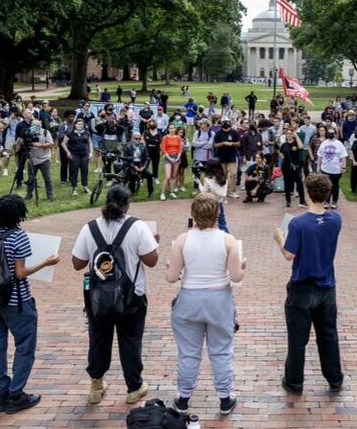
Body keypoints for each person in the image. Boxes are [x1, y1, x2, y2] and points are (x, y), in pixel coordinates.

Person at [71, 185, 159, 405]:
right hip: (132, 296)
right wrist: (153, 242)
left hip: (98, 297)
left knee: (98, 338)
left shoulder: (89, 228)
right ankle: (134, 387)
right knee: (130, 340)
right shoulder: (137, 227)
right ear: (127, 204)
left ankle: (96, 385)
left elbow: (77, 263)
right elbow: (152, 260)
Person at [165, 192, 245, 416]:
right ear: (217, 214)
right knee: (221, 351)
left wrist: (169, 266)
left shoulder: (182, 240)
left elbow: (171, 277)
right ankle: (225, 397)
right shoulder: (228, 240)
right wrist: (242, 265)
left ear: (193, 213)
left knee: (188, 352)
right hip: (219, 299)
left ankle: (183, 397)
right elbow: (236, 276)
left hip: (189, 298)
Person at [0, 196, 59, 413]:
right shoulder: (18, 236)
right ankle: (16, 394)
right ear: (18, 215)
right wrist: (45, 263)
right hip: (17, 302)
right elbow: (20, 273)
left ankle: (3, 393)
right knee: (24, 346)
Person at [273, 173, 345, 395]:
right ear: (328, 193)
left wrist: (279, 238)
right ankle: (335, 378)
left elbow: (289, 254)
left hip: (302, 286)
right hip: (327, 285)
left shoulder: (298, 223)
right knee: (328, 335)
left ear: (307, 192)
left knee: (297, 338)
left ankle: (294, 381)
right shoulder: (336, 220)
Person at [317, 126, 348, 210]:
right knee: (326, 186)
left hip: (336, 170)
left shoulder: (339, 144)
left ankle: (334, 201)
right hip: (325, 169)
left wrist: (344, 167)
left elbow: (343, 156)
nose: (330, 134)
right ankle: (326, 201)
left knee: (335, 186)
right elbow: (320, 156)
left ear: (335, 134)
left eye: (332, 133)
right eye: (329, 133)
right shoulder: (324, 143)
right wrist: (318, 167)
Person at [24, 120, 55, 201]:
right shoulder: (29, 132)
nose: (35, 127)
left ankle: (50, 195)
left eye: (37, 125)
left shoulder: (45, 132)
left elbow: (51, 143)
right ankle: (29, 194)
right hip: (32, 158)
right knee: (31, 178)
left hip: (44, 159)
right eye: (33, 125)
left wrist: (40, 145)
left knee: (47, 178)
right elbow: (25, 143)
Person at [62, 118, 92, 197]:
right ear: (75, 125)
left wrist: (91, 153)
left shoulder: (86, 133)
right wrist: (68, 152)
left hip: (84, 155)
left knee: (85, 171)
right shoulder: (70, 133)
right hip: (74, 155)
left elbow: (90, 143)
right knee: (74, 172)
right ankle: (74, 188)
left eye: (82, 124)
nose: (80, 126)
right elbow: (63, 143)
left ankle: (85, 187)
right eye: (79, 124)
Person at [279, 128, 306, 208]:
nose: (289, 135)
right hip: (286, 166)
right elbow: (281, 153)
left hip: (296, 166)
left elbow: (301, 146)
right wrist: (284, 159)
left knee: (299, 183)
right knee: (287, 184)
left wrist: (296, 136)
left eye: (290, 133)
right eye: (287, 133)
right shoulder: (284, 144)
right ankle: (288, 200)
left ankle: (302, 201)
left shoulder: (296, 143)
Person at [161, 124, 183, 200]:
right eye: (170, 128)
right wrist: (170, 158)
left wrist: (178, 157)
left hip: (177, 157)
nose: (172, 129)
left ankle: (172, 191)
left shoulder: (178, 137)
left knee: (174, 176)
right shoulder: (165, 137)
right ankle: (162, 193)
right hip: (168, 157)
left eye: (173, 128)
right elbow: (163, 149)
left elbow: (180, 148)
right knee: (167, 176)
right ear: (168, 129)